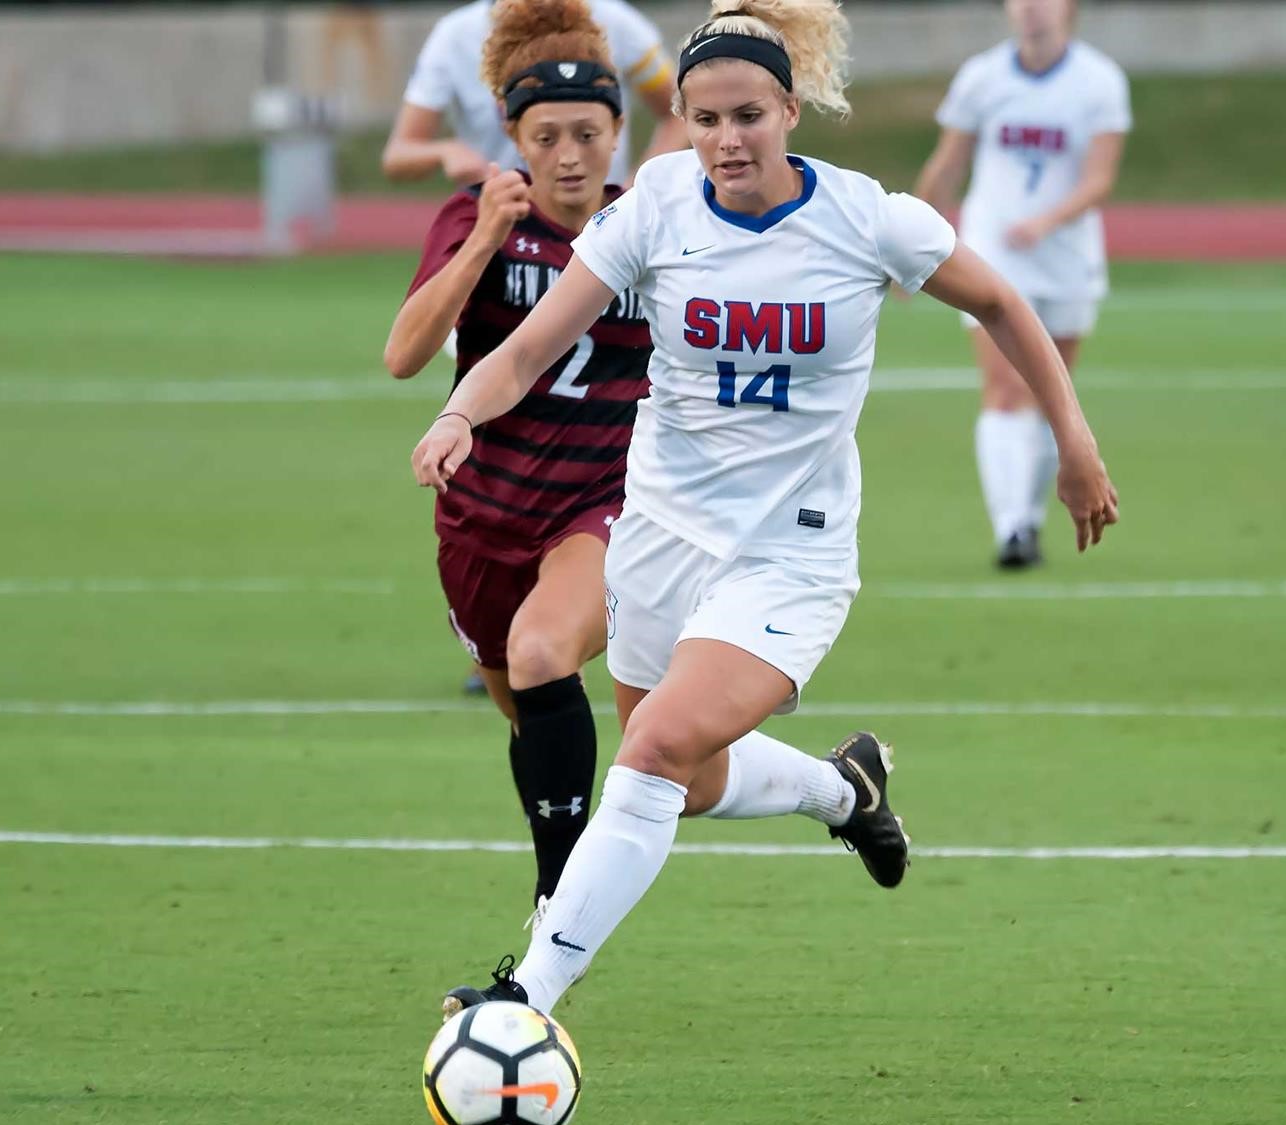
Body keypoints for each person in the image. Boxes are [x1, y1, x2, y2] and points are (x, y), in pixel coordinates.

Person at [413, 0, 1120, 1018]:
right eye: (702, 120)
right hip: (658, 539)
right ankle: (845, 792)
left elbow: (1002, 303)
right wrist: (457, 414)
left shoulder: (865, 216)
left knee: (650, 755)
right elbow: (525, 347)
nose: (724, 140)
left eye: (746, 115)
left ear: (788, 110)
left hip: (790, 553)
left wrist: (1073, 440)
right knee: (688, 782)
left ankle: (526, 995)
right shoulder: (657, 202)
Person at [383, 0, 650, 909]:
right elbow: (405, 355)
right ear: (512, 133)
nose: (570, 155)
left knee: (542, 656)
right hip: (483, 515)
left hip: (603, 505)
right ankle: (835, 789)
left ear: (620, 131)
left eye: (589, 132)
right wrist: (484, 243)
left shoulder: (650, 227)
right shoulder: (477, 217)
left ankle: (558, 910)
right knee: (535, 718)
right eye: (547, 135)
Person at [914, 0, 1130, 569]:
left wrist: (1047, 221)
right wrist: (908, 241)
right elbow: (946, 165)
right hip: (992, 258)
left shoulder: (1100, 81)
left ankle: (1029, 517)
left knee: (1052, 395)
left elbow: (1101, 178)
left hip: (1066, 260)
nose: (1031, 8)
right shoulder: (982, 77)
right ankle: (1012, 529)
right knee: (1007, 389)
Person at [382, 0, 686, 187]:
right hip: (502, 227)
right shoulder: (454, 35)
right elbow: (398, 155)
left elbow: (680, 112)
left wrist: (637, 186)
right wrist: (446, 151)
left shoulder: (617, 21)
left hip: (594, 225)